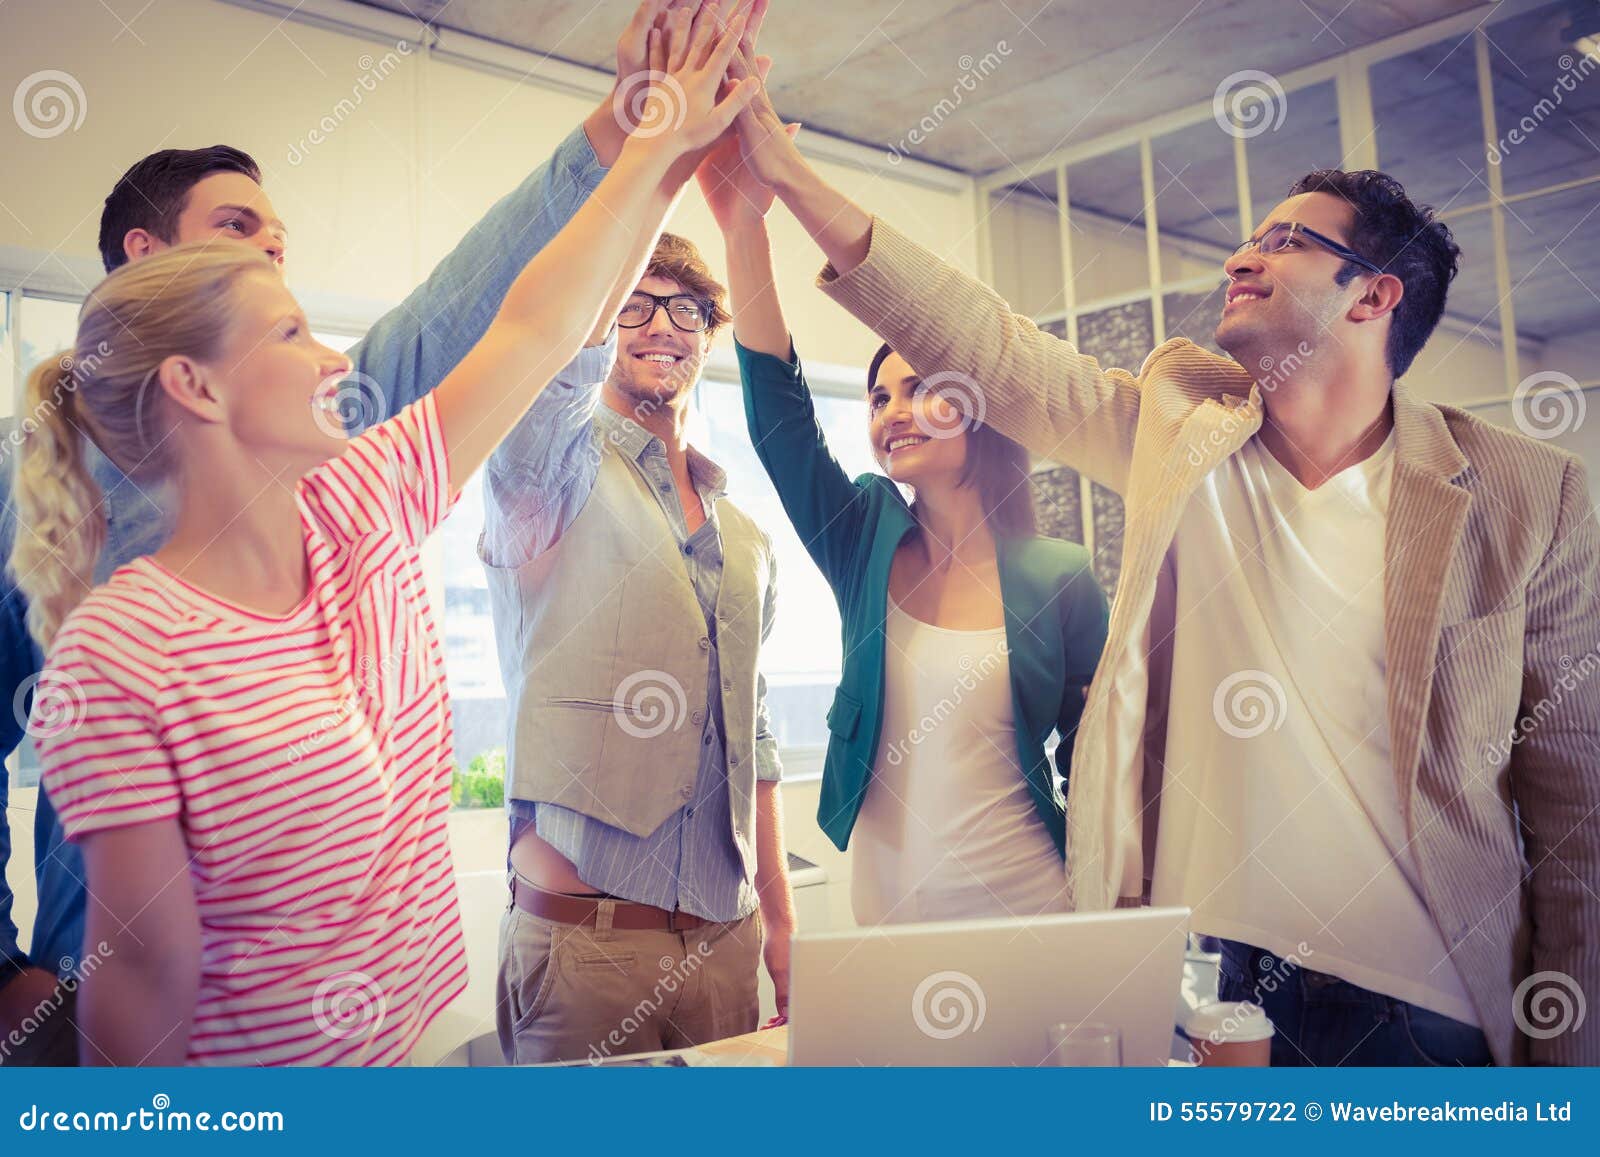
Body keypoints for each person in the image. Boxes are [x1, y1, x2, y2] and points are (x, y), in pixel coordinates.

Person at [720, 57, 1600, 1065]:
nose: (1241, 256)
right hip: (1220, 999)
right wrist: (783, 175)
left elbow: (1577, 810)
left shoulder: (1528, 493)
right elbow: (989, 343)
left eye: (1286, 242)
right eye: (1249, 236)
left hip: (1425, 1011)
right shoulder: (1179, 435)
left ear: (1373, 296)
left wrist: (1570, 1068)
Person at [6, 8, 758, 1065]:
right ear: (196, 385)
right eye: (290, 329)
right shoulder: (120, 648)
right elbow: (144, 986)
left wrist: (660, 147)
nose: (335, 361)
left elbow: (536, 325)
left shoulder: (367, 498)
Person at [701, 130, 1107, 924]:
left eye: (919, 388)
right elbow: (783, 427)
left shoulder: (1061, 576)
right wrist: (743, 225)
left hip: (1035, 906)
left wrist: (1124, 900)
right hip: (891, 915)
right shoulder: (864, 538)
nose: (892, 412)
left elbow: (1101, 759)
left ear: (978, 408)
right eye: (879, 397)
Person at [483, 216, 797, 1061]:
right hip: (587, 948)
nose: (662, 323)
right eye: (635, 303)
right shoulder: (549, 470)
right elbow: (546, 372)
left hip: (725, 944)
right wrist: (647, 177)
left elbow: (755, 736)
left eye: (687, 308)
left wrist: (781, 922)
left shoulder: (748, 538)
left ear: (709, 335)